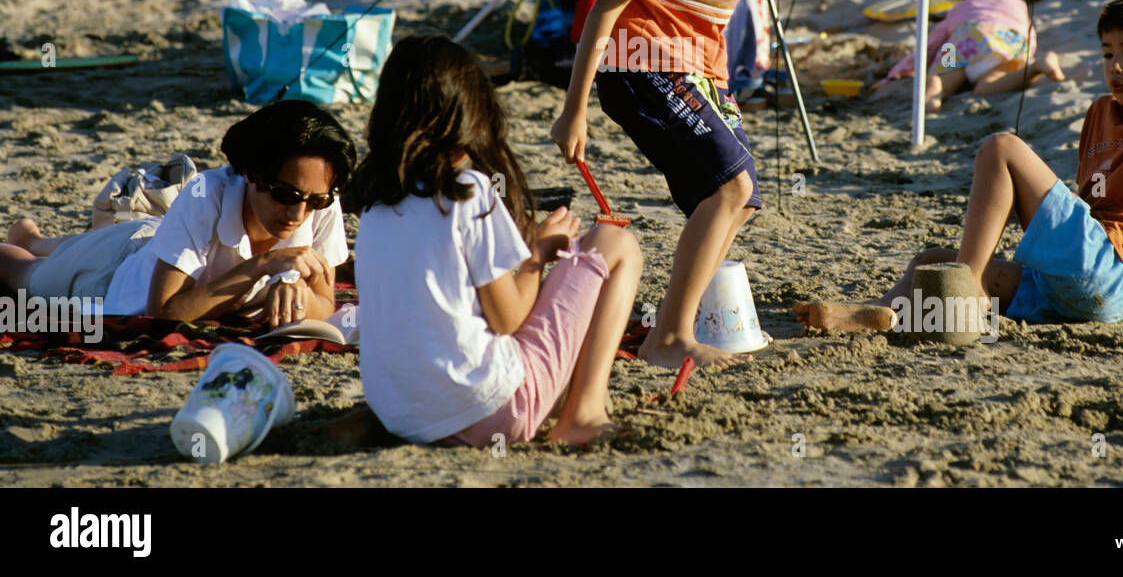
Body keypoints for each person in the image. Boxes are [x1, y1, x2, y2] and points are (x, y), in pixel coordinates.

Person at [796, 0, 1123, 331]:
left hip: (1109, 272)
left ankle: (965, 289)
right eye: (1107, 53)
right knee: (930, 264)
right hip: (1085, 291)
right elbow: (1099, 208)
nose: (1115, 66)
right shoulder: (1100, 112)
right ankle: (876, 313)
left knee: (1001, 147)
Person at [551, 0, 817, 369]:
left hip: (697, 71)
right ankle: (670, 336)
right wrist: (574, 110)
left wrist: (719, 86)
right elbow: (603, 11)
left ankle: (680, 322)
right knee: (730, 187)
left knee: (742, 199)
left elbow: (708, 17)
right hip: (639, 64)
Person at [353, 35, 643, 447]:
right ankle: (584, 413)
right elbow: (508, 319)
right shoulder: (466, 192)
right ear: (469, 112)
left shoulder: (375, 207)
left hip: (402, 416)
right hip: (490, 412)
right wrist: (537, 253)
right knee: (615, 242)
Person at [1, 100, 355, 327]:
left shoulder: (321, 198)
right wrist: (261, 266)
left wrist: (299, 296)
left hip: (161, 237)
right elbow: (166, 312)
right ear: (250, 173)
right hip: (117, 269)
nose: (298, 212)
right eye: (285, 194)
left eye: (315, 201)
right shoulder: (206, 193)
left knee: (74, 245)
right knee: (23, 272)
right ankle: (28, 240)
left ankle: (34, 237)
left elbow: (325, 302)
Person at [873, 0, 1065, 112]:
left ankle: (937, 86)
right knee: (987, 86)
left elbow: (930, 44)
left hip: (963, 40)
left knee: (948, 72)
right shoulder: (1017, 3)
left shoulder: (958, 9)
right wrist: (1026, 57)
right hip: (1002, 41)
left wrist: (896, 73)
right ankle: (1036, 68)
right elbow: (1027, 35)